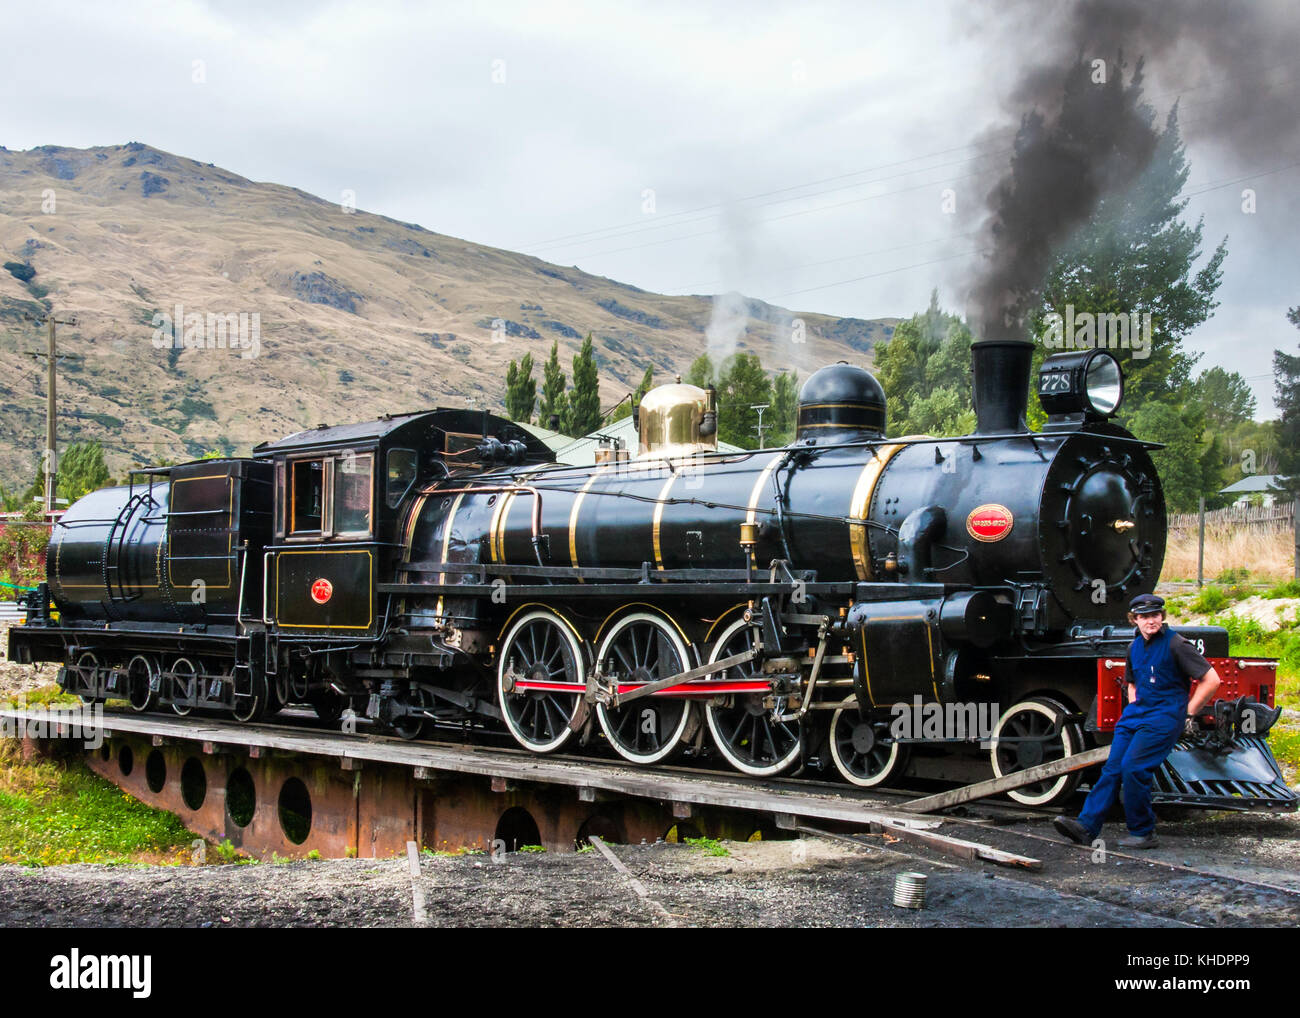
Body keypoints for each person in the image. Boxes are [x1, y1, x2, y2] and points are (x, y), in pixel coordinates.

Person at [1054, 594, 1221, 849]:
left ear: (1162, 616)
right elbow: (1131, 682)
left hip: (1164, 717)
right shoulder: (1134, 647)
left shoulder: (1177, 645)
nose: (1150, 621)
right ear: (1135, 620)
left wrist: (1188, 712)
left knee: (1134, 769)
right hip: (1136, 715)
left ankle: (1143, 832)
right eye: (1144, 617)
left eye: (1154, 615)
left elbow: (1212, 679)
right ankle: (1086, 828)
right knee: (1112, 769)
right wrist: (1134, 703)